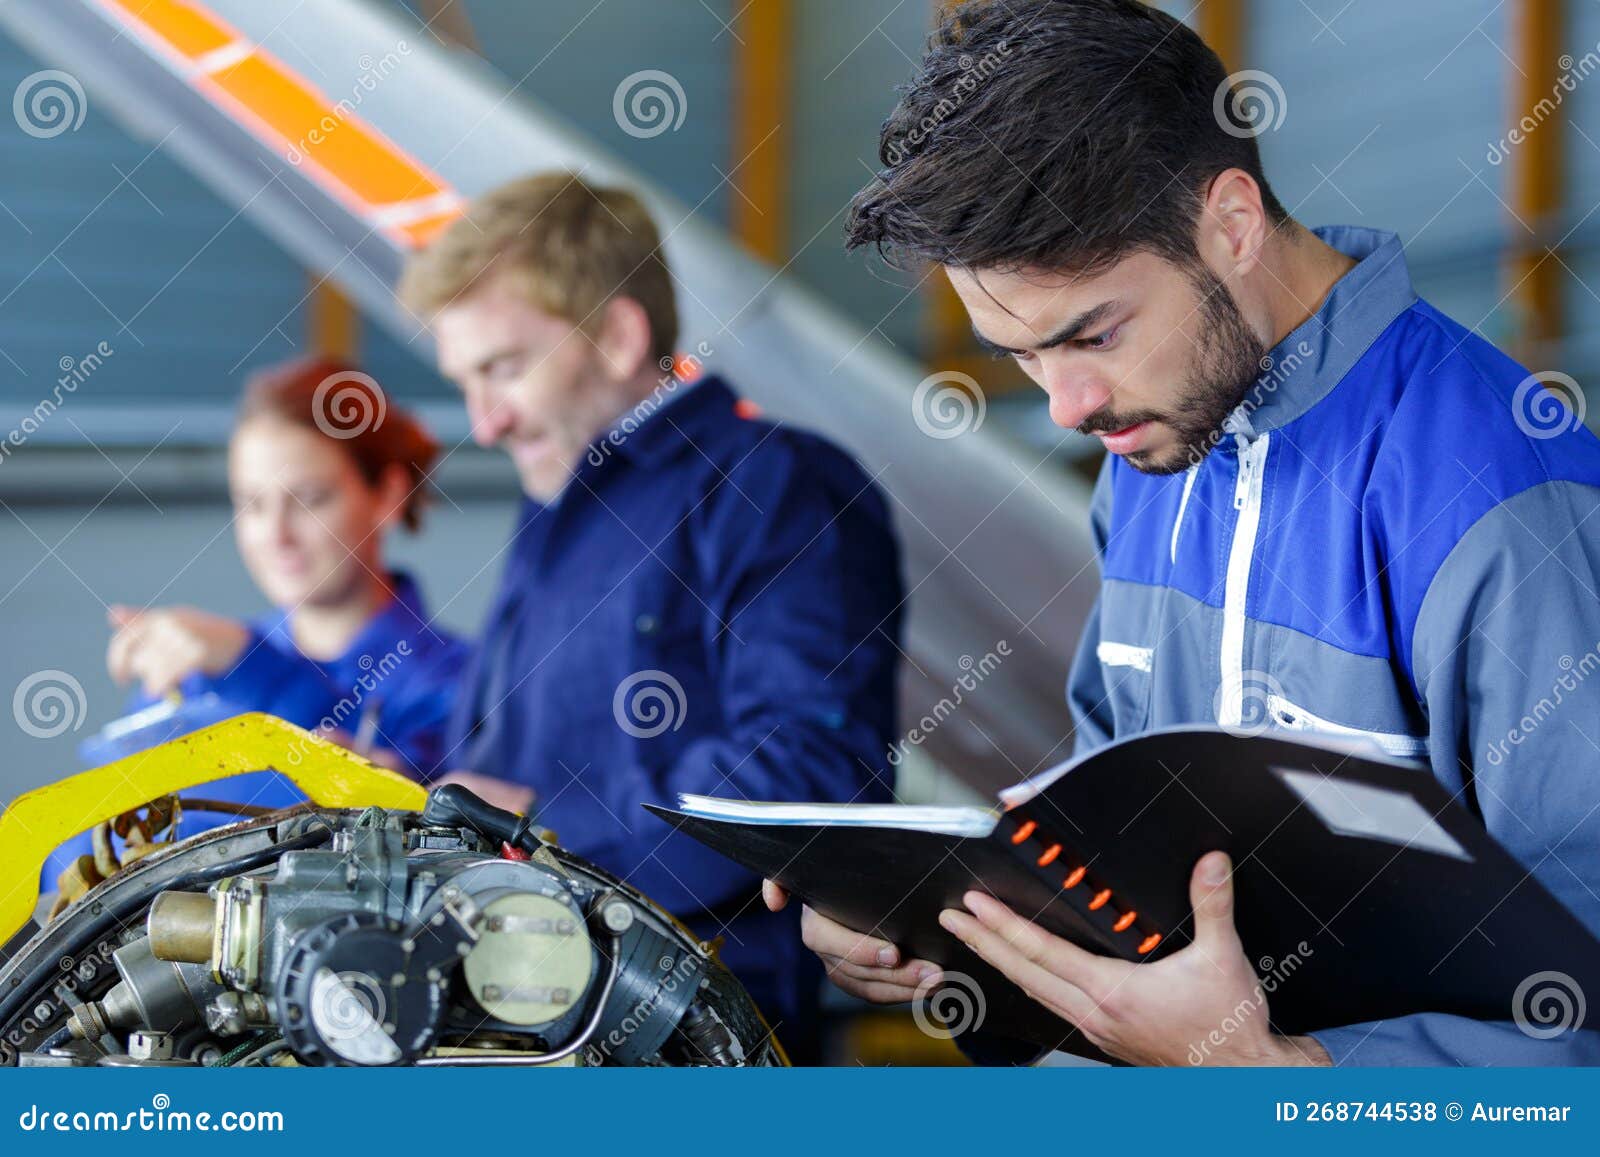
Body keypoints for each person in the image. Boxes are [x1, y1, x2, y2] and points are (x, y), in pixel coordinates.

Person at [768, 0, 1600, 1066]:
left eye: (1092, 333)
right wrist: (951, 930)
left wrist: (1269, 1075)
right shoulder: (1156, 445)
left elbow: (1571, 1014)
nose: (1066, 404)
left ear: (1232, 224)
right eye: (1020, 355)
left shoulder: (1508, 507)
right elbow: (1109, 837)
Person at [398, 172, 904, 1062]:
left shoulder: (775, 485)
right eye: (465, 381)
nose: (483, 423)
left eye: (504, 368)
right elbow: (498, 764)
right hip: (522, 1019)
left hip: (692, 1037)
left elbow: (812, 773)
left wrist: (549, 833)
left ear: (620, 335)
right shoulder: (558, 503)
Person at [45, 357, 469, 883]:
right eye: (251, 504)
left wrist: (250, 668)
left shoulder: (463, 684)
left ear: (386, 493)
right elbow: (87, 860)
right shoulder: (198, 669)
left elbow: (412, 828)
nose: (275, 534)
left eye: (309, 500)